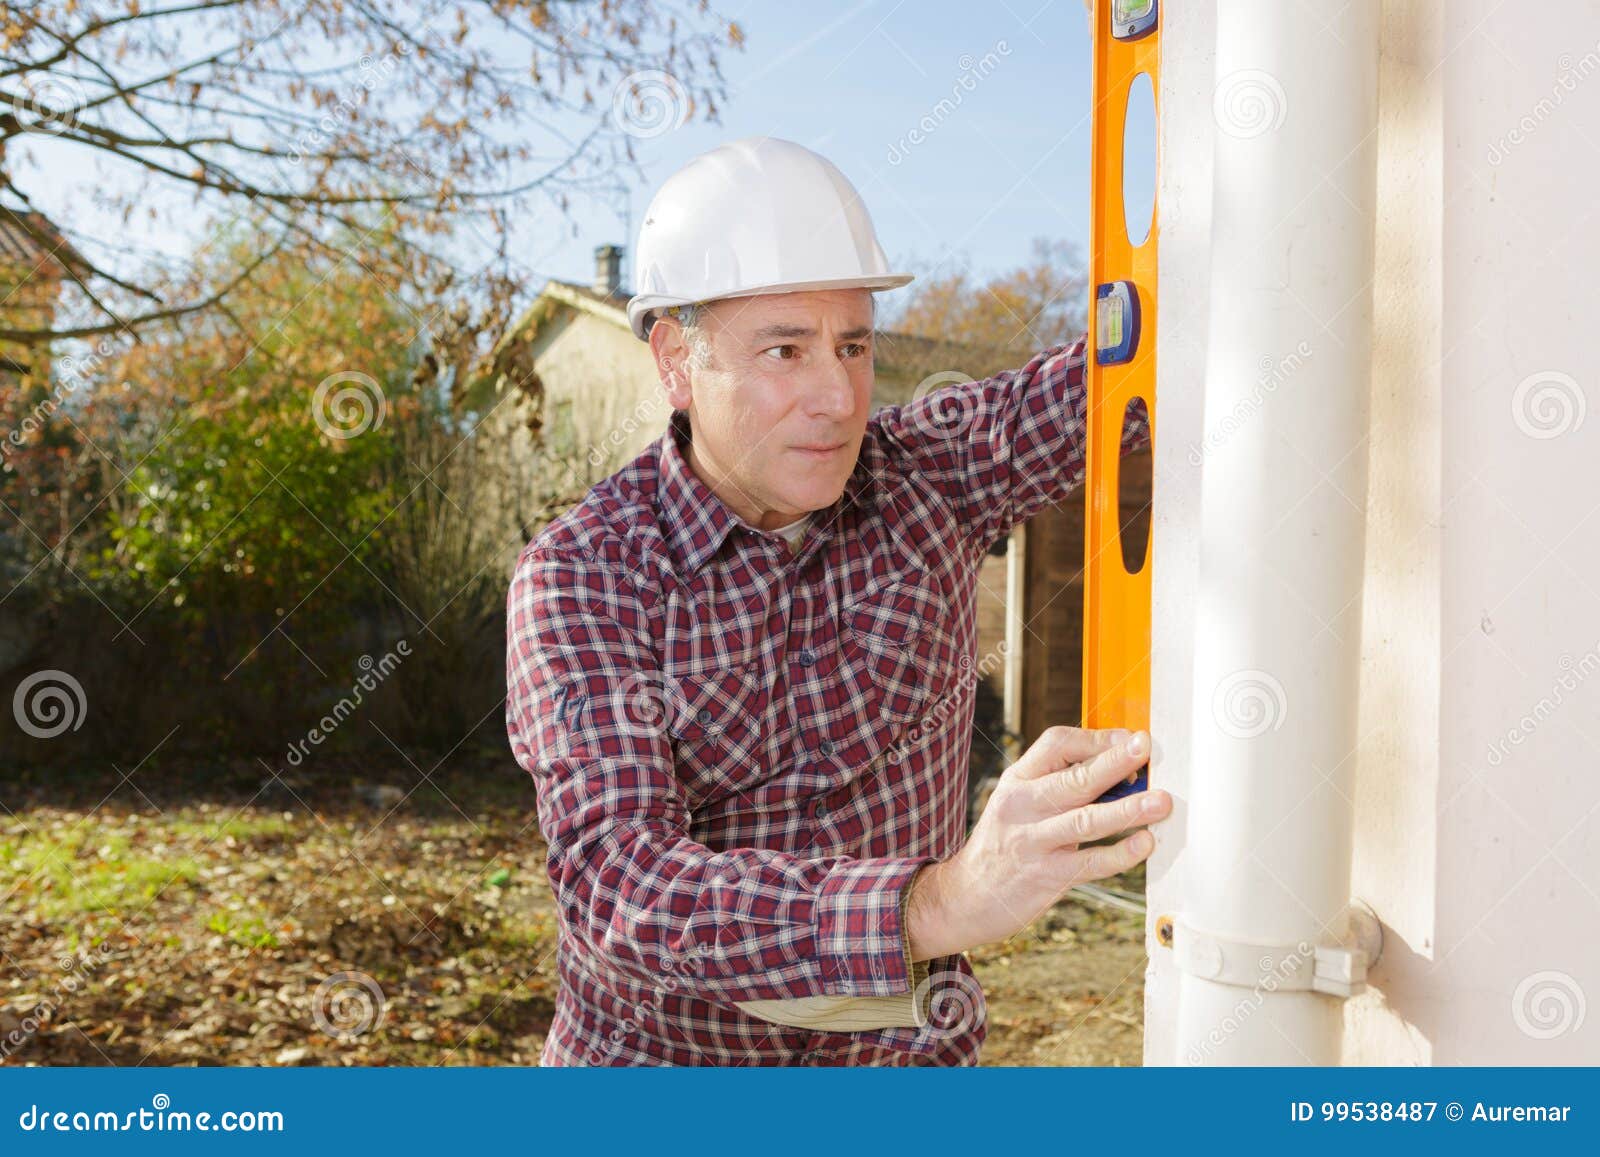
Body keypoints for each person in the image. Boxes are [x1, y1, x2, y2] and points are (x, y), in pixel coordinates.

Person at [506, 136, 1172, 1066]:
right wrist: (947, 898)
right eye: (785, 349)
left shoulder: (930, 473)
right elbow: (625, 888)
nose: (836, 395)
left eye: (853, 345)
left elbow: (1129, 377)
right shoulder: (586, 574)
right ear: (674, 361)